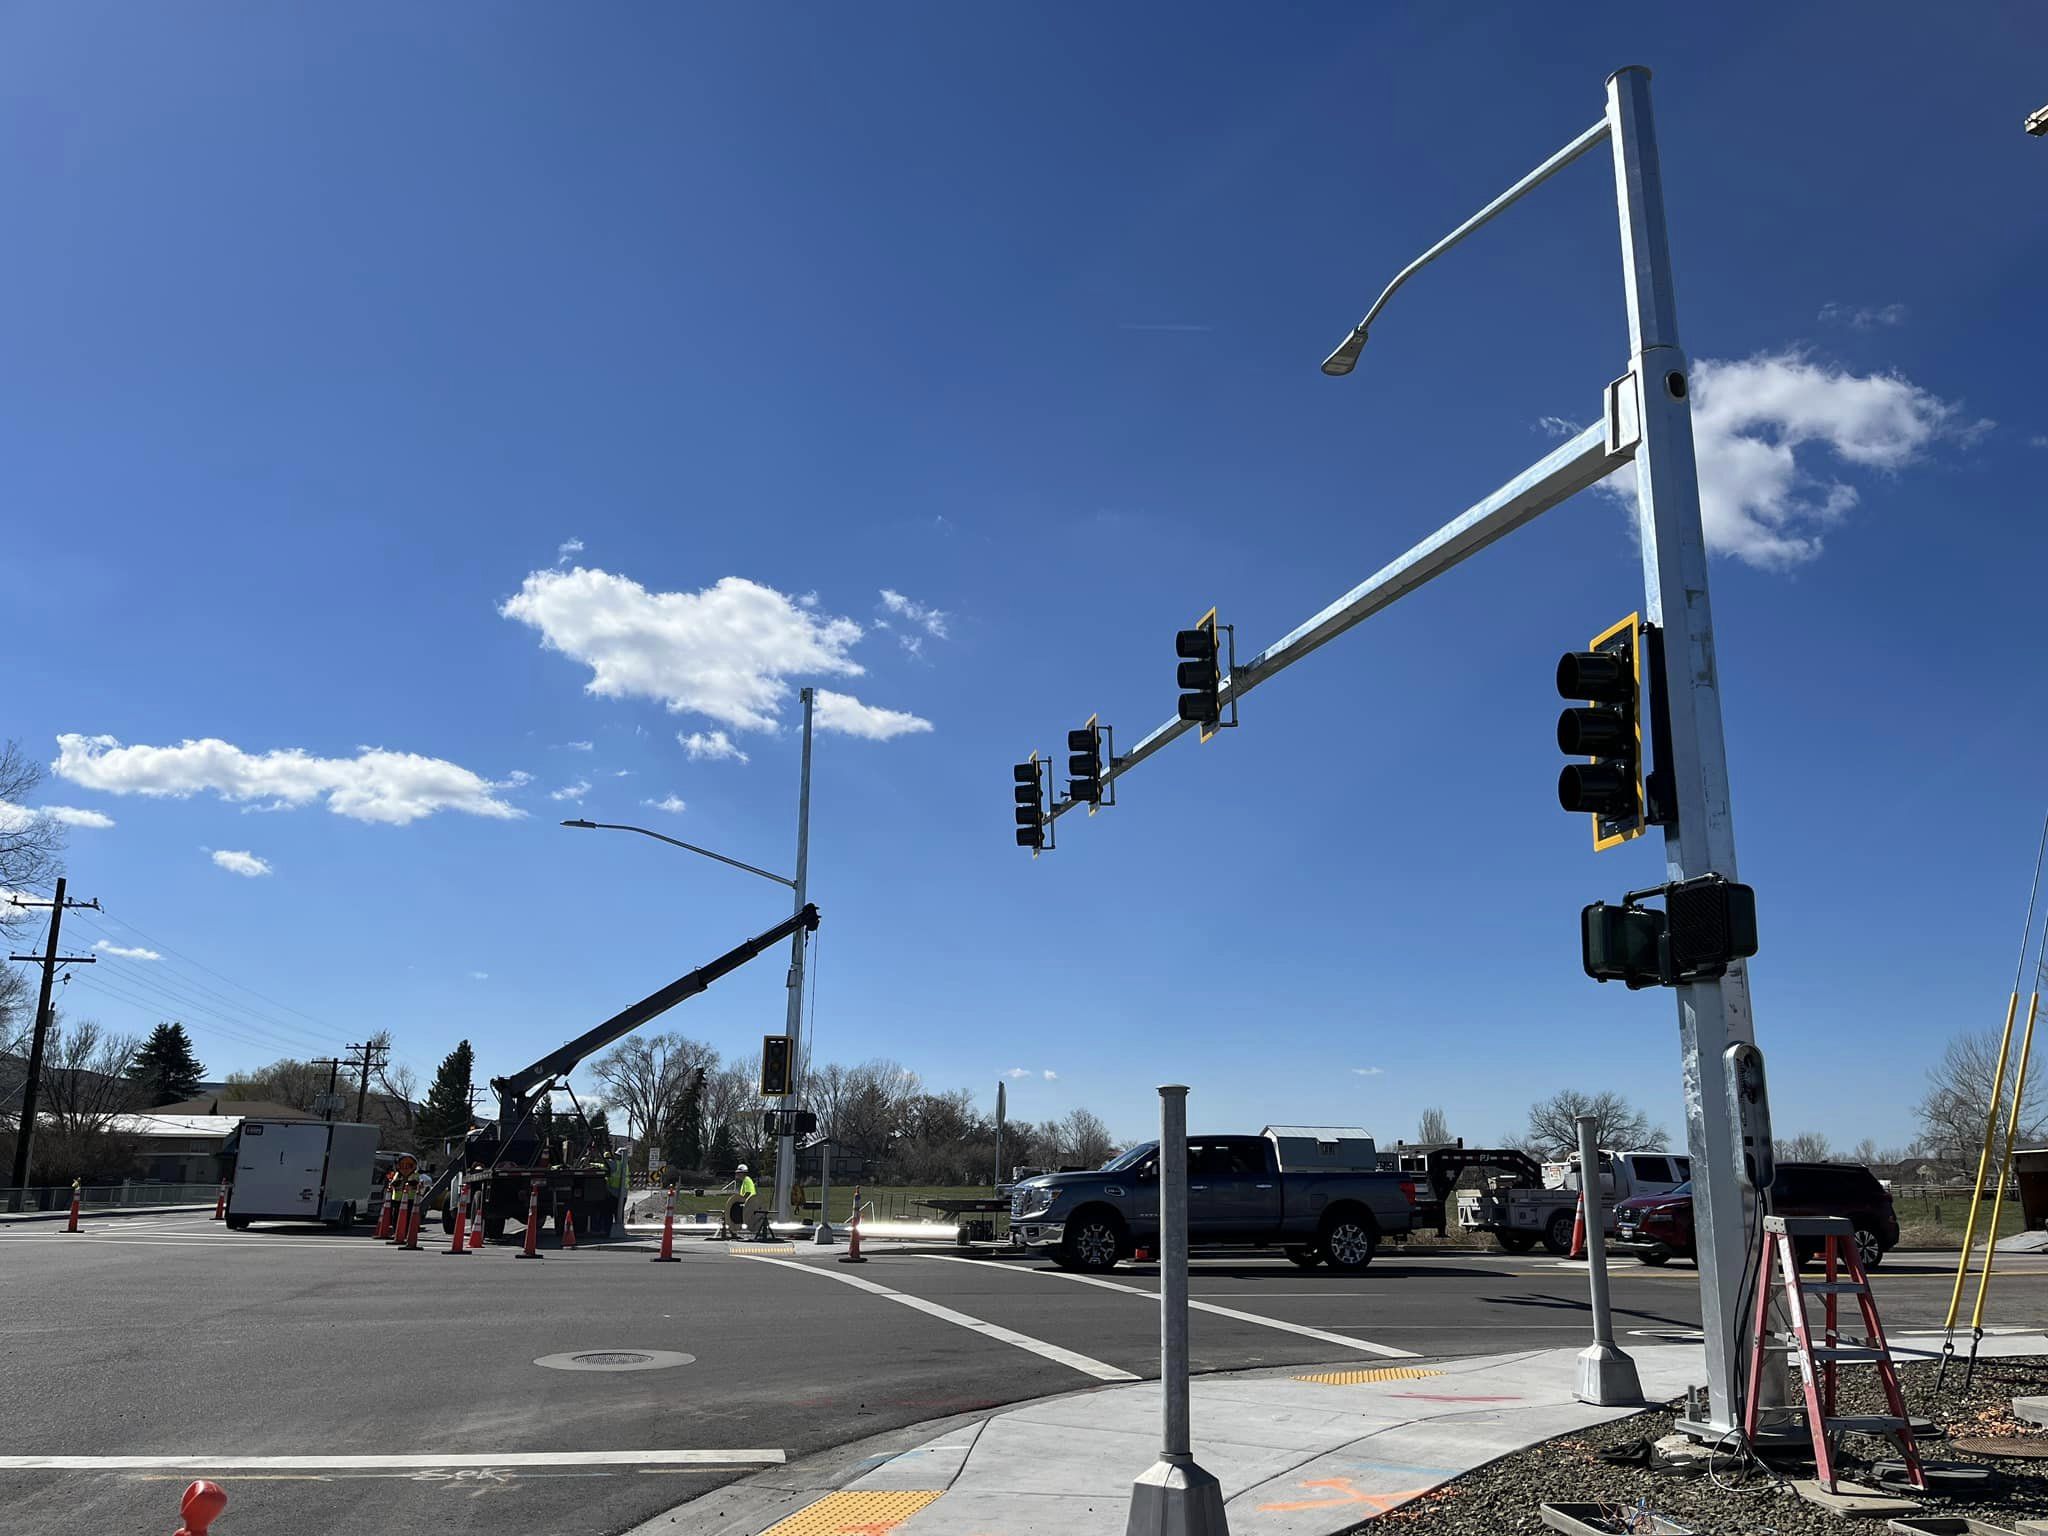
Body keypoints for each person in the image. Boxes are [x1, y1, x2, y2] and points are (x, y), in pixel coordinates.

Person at [729, 1163, 756, 1236]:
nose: (737, 1174)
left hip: (749, 1203)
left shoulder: (747, 1180)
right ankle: (735, 1229)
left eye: (739, 1173)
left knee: (734, 1211)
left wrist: (741, 1200)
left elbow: (748, 1192)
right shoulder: (745, 1181)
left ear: (743, 1173)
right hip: (748, 1202)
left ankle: (735, 1229)